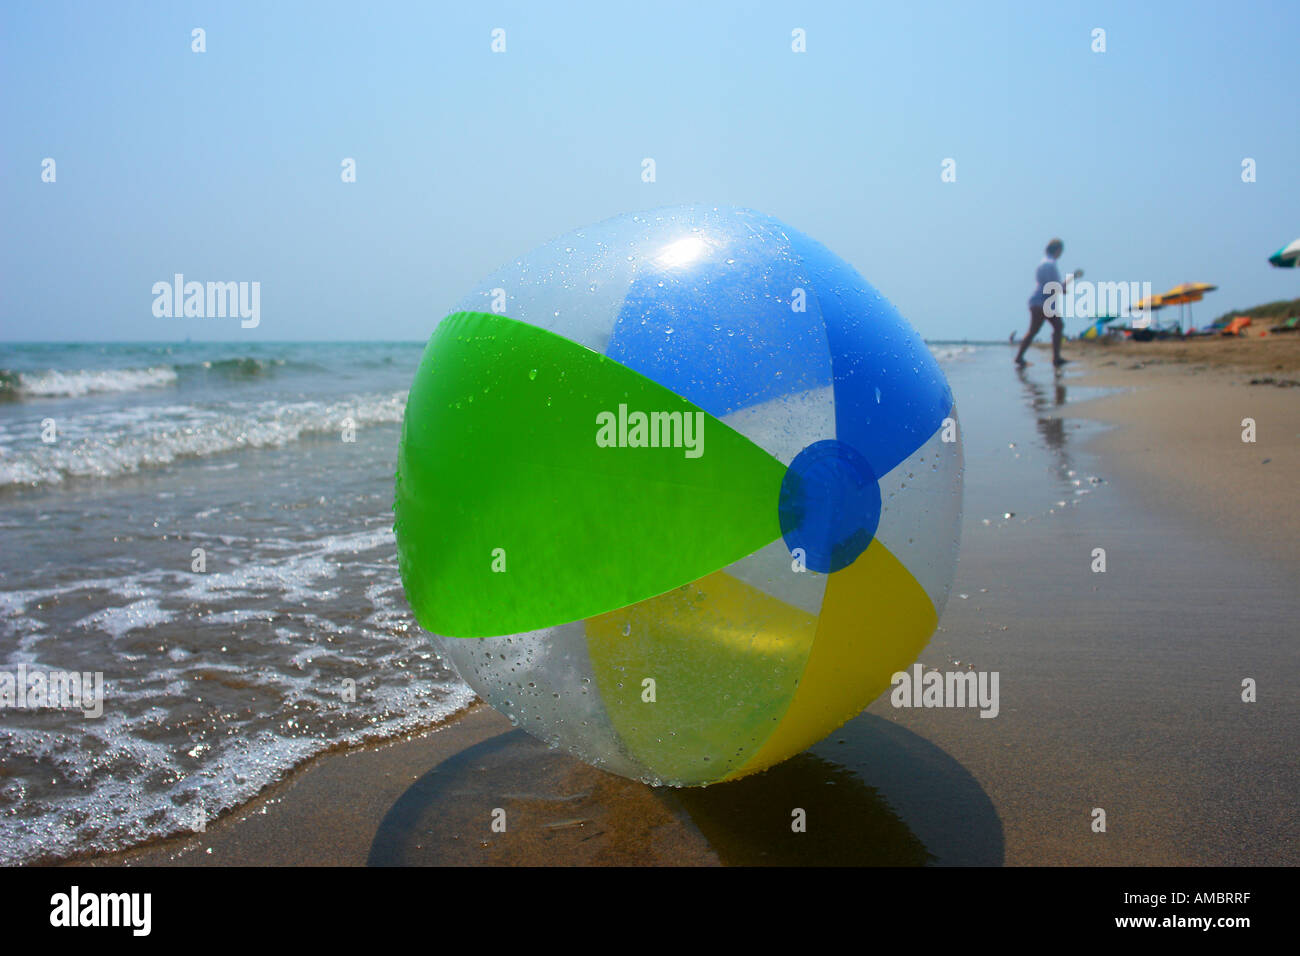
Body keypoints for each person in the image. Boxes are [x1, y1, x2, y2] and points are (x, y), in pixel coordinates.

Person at [1015, 238, 1071, 367]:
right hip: (1044, 301)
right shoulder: (1051, 264)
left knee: (1034, 330)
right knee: (1058, 326)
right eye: (1061, 251)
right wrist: (1064, 288)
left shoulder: (1043, 263)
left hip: (1037, 300)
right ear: (1057, 250)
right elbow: (1055, 286)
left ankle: (1019, 357)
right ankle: (1056, 358)